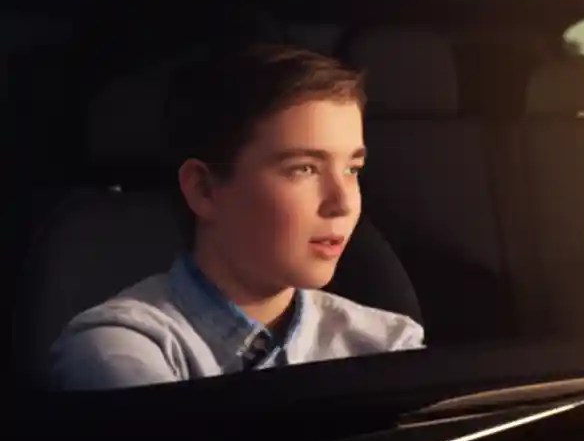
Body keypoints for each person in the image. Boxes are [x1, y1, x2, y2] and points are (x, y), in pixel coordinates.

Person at [49, 45, 424, 390]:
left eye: (352, 169)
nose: (342, 202)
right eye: (304, 169)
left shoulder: (386, 345)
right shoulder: (120, 347)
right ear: (204, 190)